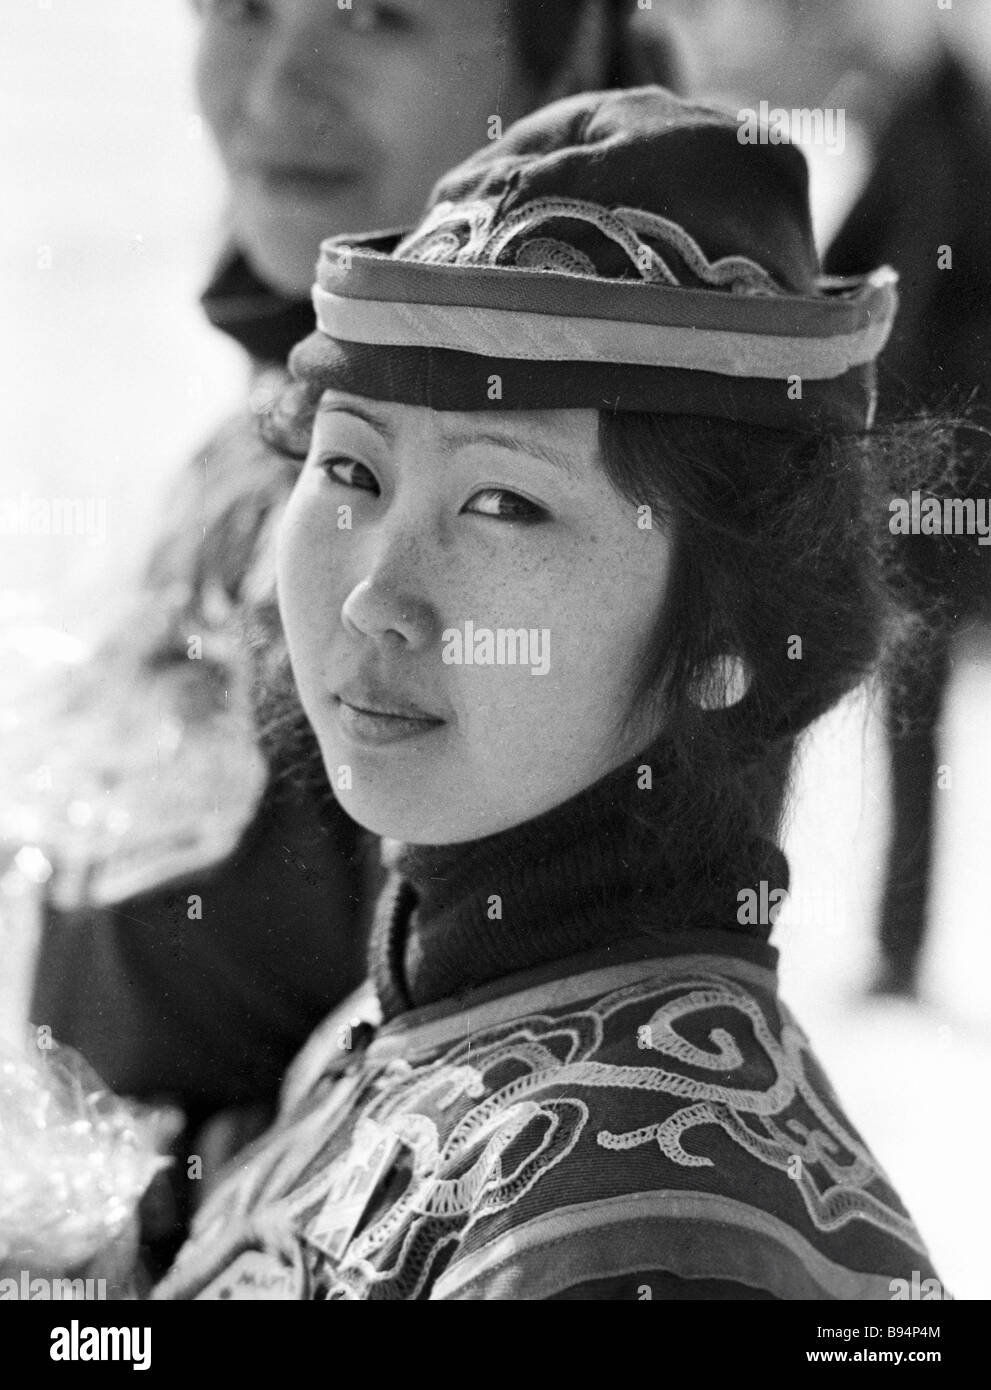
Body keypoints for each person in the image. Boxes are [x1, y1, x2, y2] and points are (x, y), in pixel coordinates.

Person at [154, 86, 943, 1300]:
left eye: (502, 504)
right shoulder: (392, 1024)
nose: (375, 597)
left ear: (726, 634)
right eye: (352, 467)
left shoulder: (657, 1241)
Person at [29, 0, 677, 1215]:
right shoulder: (285, 393)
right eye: (239, 9)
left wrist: (123, 1241)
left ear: (564, 53)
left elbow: (484, 1127)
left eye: (374, 17)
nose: (278, 83)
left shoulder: (600, 501)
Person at [661, 0, 991, 996]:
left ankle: (887, 945)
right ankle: (893, 946)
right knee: (910, 702)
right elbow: (860, 258)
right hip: (928, 457)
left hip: (952, 450)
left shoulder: (945, 118)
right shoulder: (922, 118)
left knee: (908, 701)